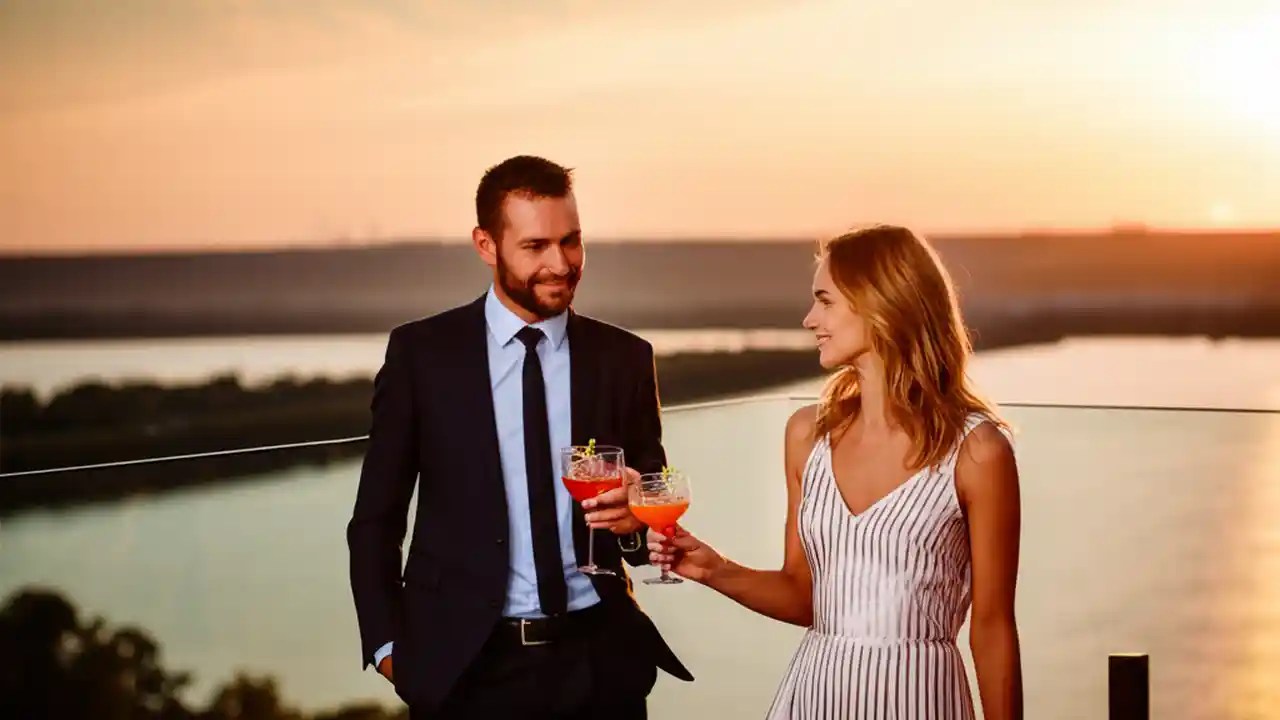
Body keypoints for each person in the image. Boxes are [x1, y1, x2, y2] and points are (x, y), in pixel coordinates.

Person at [348, 155, 692, 719]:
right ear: (487, 245)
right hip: (466, 673)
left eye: (572, 241)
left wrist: (637, 519)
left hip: (599, 666)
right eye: (536, 247)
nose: (561, 264)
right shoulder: (422, 356)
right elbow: (375, 520)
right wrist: (388, 649)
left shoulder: (625, 358)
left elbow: (650, 507)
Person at [649, 225, 1023, 719]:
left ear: (879, 303)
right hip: (816, 695)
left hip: (921, 700)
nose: (809, 320)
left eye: (825, 301)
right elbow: (805, 598)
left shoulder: (977, 451)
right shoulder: (807, 436)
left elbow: (993, 629)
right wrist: (712, 568)